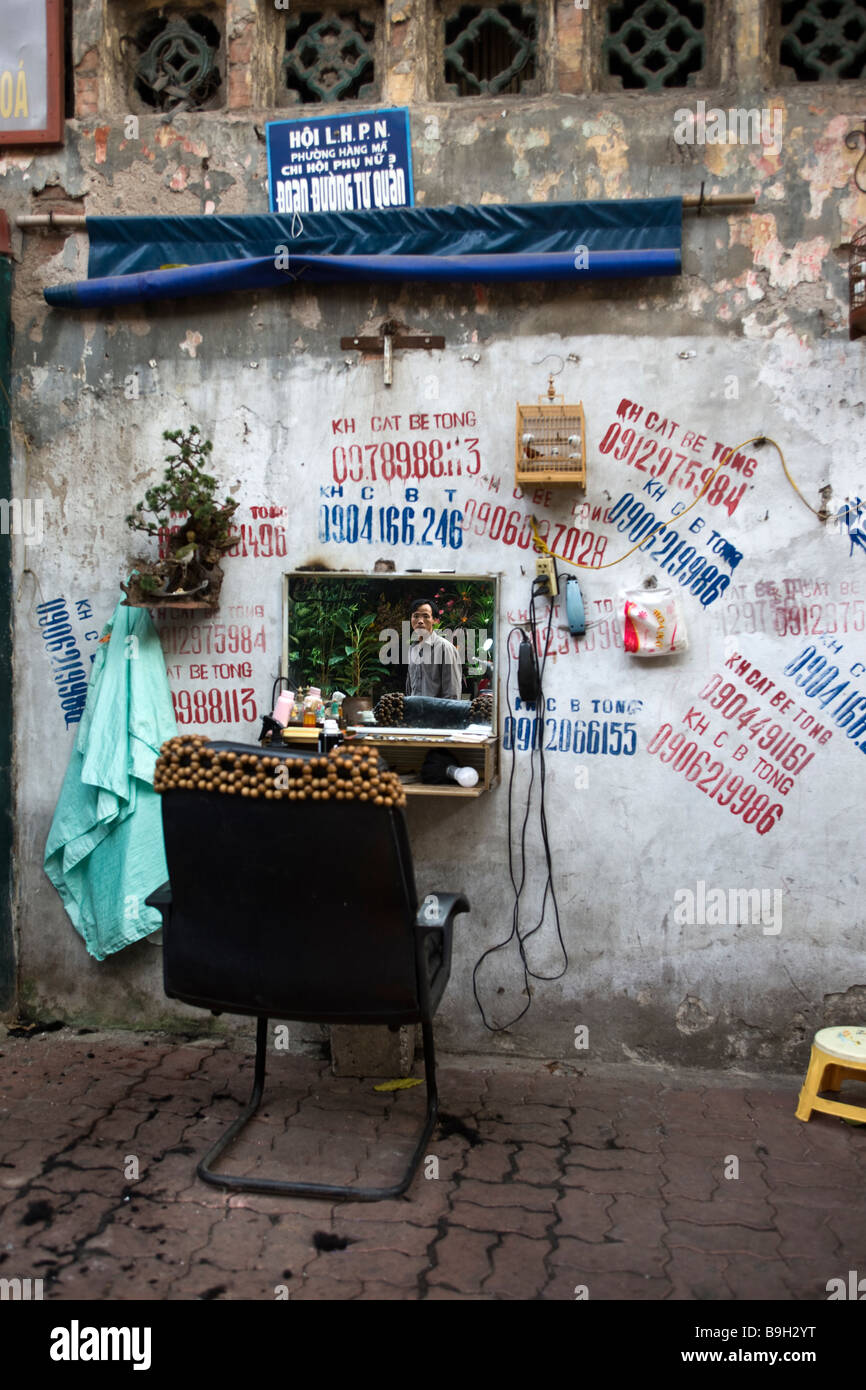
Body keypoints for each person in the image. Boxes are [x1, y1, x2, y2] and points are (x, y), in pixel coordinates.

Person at [405, 598, 462, 700]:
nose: (420, 621)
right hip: (416, 714)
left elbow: (452, 692)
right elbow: (410, 689)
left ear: (435, 620)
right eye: (416, 616)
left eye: (426, 616)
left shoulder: (445, 648)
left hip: (437, 714)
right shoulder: (412, 649)